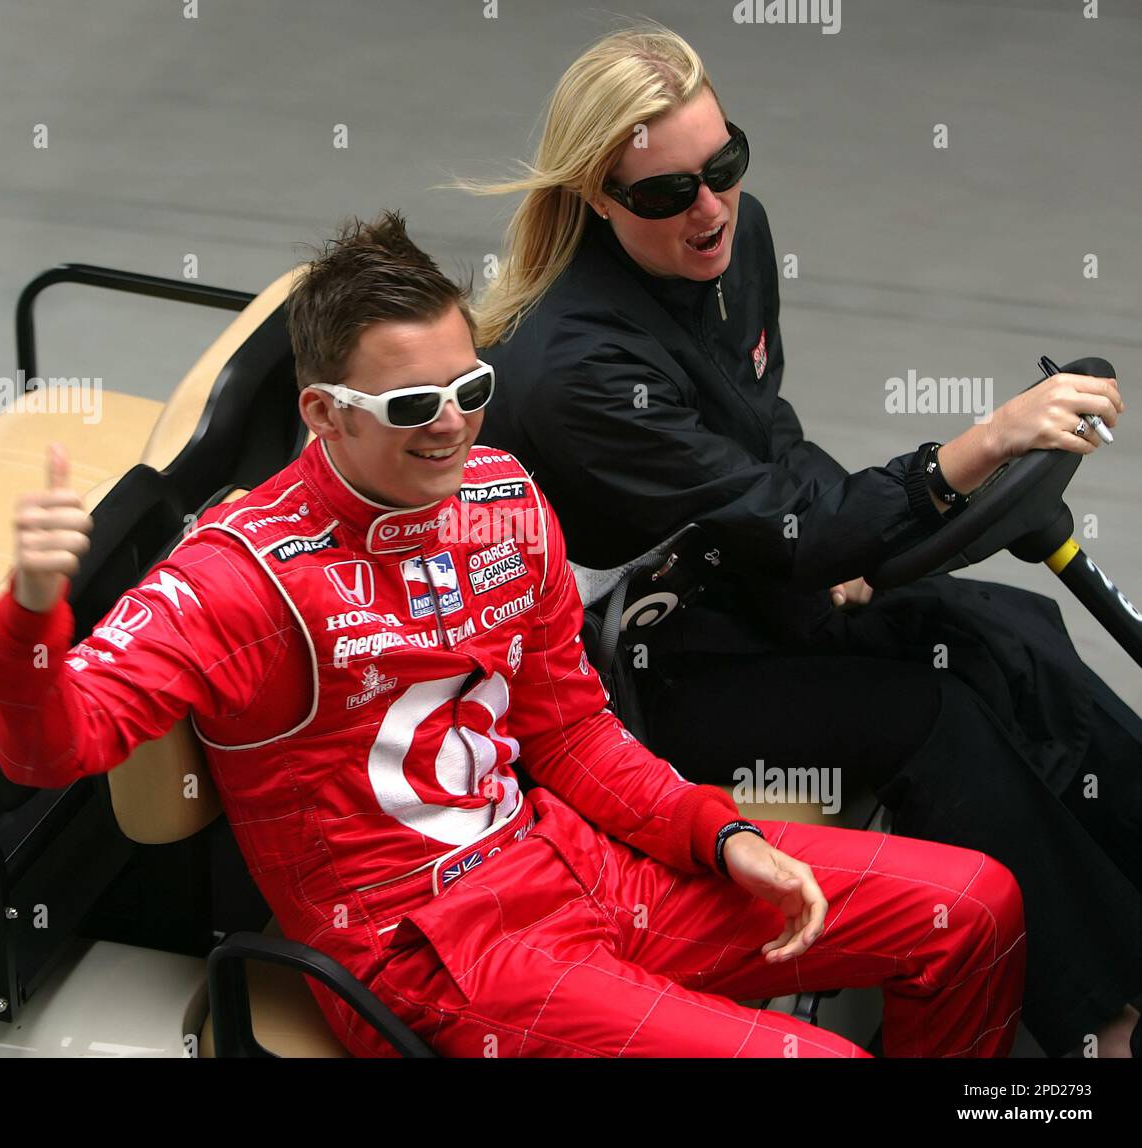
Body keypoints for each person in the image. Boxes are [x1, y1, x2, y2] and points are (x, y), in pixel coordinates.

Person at [0, 212, 1025, 1058]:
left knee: (973, 906)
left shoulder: (501, 496)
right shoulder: (236, 579)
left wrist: (722, 835)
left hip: (564, 863)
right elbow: (49, 746)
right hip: (428, 954)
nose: (452, 423)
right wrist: (32, 608)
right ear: (323, 412)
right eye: (412, 402)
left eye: (471, 389)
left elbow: (570, 733)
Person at [466, 22, 1141, 1057]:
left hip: (730, 578)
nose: (709, 207)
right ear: (597, 197)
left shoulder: (733, 246)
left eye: (723, 165)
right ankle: (1106, 1019)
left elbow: (765, 440)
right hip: (630, 672)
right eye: (666, 193)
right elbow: (782, 516)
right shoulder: (579, 374)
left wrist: (856, 544)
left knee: (1016, 630)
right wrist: (978, 445)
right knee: (933, 713)